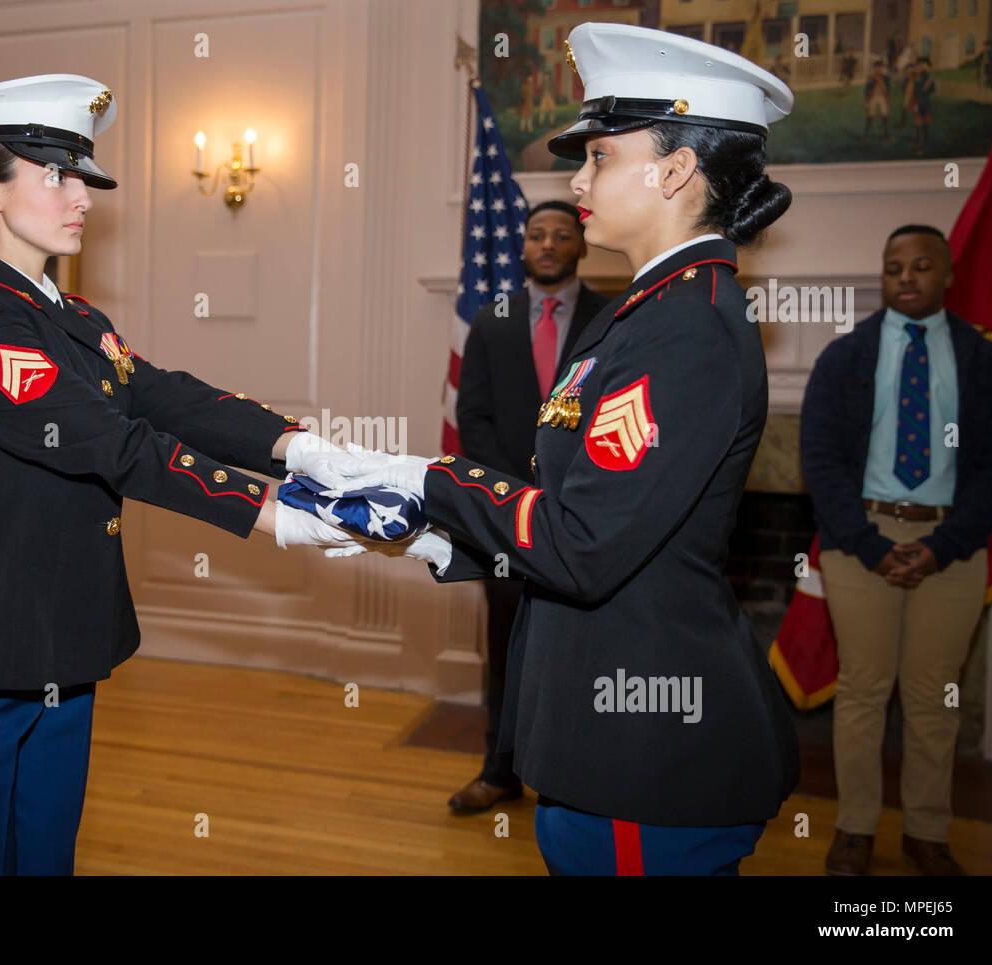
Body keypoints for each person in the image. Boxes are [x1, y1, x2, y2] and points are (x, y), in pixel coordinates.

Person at [310, 23, 802, 875]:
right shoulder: (646, 310)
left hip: (644, 752)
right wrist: (432, 535)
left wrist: (426, 478)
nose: (578, 181)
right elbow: (583, 505)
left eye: (602, 157)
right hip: (604, 727)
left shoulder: (687, 326)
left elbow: (582, 544)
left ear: (676, 169)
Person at [0, 74, 360, 875]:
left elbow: (170, 398)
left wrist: (302, 449)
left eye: (83, 176)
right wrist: (281, 514)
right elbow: (112, 444)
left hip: (61, 650)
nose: (81, 196)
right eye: (54, 174)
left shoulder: (74, 318)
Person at [801, 224, 992, 876]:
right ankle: (855, 829)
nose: (906, 277)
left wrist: (943, 545)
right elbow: (820, 459)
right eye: (894, 267)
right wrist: (868, 544)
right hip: (863, 546)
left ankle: (927, 833)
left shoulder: (983, 360)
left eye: (921, 266)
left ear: (946, 275)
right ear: (883, 276)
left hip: (952, 548)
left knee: (934, 695)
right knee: (862, 690)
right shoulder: (844, 358)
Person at [448, 200, 607, 813]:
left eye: (561, 235)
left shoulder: (611, 317)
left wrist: (571, 488)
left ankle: (578, 777)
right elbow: (474, 419)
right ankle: (500, 768)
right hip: (508, 518)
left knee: (582, 649)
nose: (547, 244)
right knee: (508, 645)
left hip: (585, 515)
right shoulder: (494, 319)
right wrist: (517, 493)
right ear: (523, 246)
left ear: (581, 245)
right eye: (537, 235)